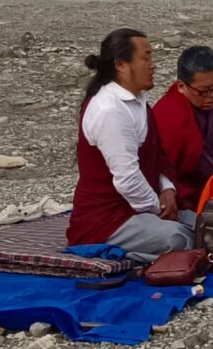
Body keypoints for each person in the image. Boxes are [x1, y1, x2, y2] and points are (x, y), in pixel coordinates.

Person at [68, 27, 194, 257]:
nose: (153, 65)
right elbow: (127, 179)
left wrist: (167, 188)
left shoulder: (137, 101)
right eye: (146, 58)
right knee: (179, 237)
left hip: (140, 206)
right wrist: (159, 209)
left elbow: (158, 157)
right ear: (121, 65)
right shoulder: (110, 110)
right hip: (107, 218)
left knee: (203, 224)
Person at [152, 43, 213, 211]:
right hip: (189, 199)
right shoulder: (169, 116)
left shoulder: (209, 100)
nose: (212, 96)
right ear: (181, 86)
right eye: (204, 91)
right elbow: (162, 169)